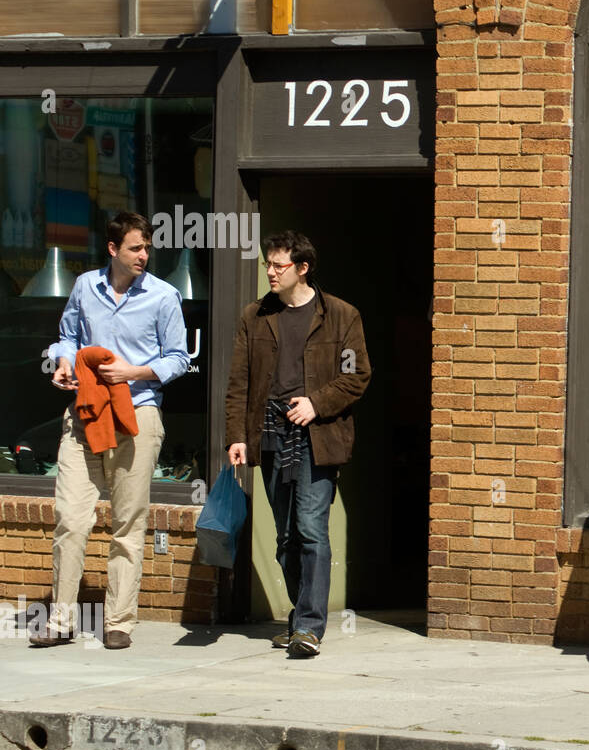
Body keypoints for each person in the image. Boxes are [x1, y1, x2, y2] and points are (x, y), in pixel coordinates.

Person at [31, 211, 189, 650]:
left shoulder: (163, 296)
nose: (144, 255)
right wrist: (64, 361)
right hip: (84, 415)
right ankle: (61, 620)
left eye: (147, 248)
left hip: (137, 417)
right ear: (113, 249)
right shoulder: (85, 286)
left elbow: (178, 358)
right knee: (71, 519)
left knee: (127, 523)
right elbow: (67, 335)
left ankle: (119, 621)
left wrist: (133, 372)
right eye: (136, 247)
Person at [225, 231, 370, 659]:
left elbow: (356, 375)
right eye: (268, 264)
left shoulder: (341, 316)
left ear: (302, 268)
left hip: (316, 437)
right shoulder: (255, 317)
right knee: (285, 537)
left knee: (310, 529)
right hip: (269, 435)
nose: (270, 271)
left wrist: (317, 403)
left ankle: (308, 626)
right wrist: (237, 436)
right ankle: (299, 616)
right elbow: (239, 383)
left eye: (279, 265)